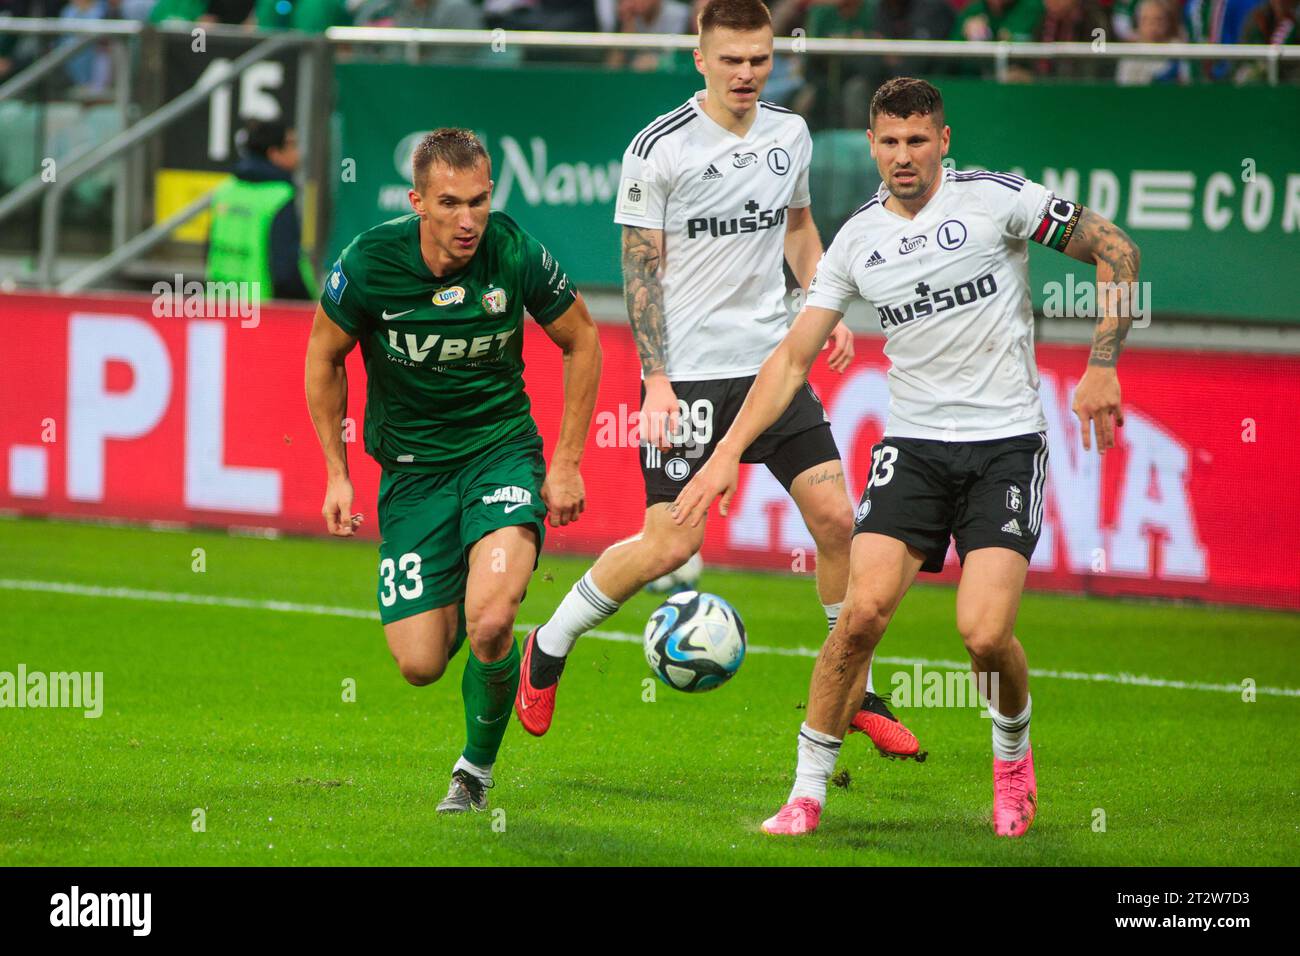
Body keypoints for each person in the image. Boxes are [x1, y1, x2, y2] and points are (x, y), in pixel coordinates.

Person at [672, 77, 1140, 838]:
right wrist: (727, 452)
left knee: (984, 634)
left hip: (1006, 447)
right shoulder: (857, 239)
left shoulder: (999, 199)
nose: (903, 156)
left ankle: (1012, 758)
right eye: (889, 142)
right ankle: (806, 793)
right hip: (914, 449)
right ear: (870, 146)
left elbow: (1116, 249)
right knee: (857, 617)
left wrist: (1103, 363)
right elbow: (791, 359)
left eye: (917, 140)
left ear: (944, 142)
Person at [515, 0, 924, 763]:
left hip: (772, 366)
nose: (746, 73)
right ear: (699, 58)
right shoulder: (658, 148)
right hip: (690, 378)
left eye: (760, 59)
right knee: (672, 543)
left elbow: (799, 229)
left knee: (839, 521)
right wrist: (657, 379)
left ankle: (854, 689)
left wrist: (820, 302)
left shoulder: (789, 133)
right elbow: (640, 268)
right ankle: (549, 644)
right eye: (732, 59)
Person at [304, 128, 603, 813]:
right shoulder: (370, 262)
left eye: (480, 200)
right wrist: (336, 473)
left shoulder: (513, 249)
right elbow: (323, 356)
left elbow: (582, 340)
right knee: (419, 663)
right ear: (418, 202)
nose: (469, 220)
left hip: (500, 452)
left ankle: (474, 771)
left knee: (490, 619)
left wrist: (564, 463)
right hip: (411, 476)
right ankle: (494, 645)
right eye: (450, 203)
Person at [207, 119, 315, 301]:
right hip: (260, 315)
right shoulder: (279, 197)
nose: (298, 154)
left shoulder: (225, 190)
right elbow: (286, 272)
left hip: (217, 306)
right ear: (274, 153)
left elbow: (210, 251)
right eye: (292, 146)